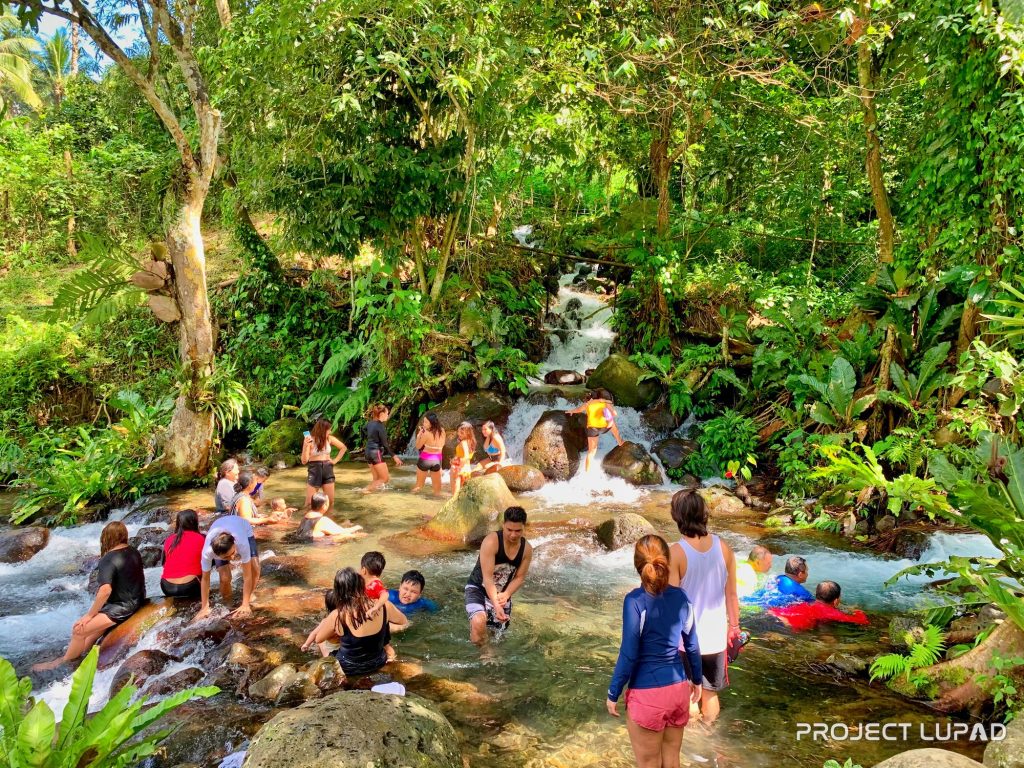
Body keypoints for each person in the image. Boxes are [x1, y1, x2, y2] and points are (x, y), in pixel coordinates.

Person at [607, 535, 703, 768]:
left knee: (648, 763)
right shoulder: (681, 597)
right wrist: (697, 680)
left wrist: (613, 692)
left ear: (637, 565)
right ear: (666, 561)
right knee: (672, 759)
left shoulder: (635, 601)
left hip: (647, 694)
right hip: (678, 690)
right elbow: (692, 644)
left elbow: (629, 653)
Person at [667, 489, 740, 725]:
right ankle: (709, 732)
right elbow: (732, 594)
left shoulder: (676, 553)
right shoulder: (724, 548)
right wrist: (734, 627)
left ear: (677, 516)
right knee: (710, 692)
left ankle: (693, 740)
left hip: (686, 639)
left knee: (689, 691)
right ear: (704, 514)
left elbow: (672, 603)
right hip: (715, 636)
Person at [33, 521, 146, 671]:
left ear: (106, 538)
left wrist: (89, 615)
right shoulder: (133, 551)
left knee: (79, 630)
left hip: (122, 607)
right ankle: (80, 657)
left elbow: (105, 591)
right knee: (92, 634)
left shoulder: (108, 559)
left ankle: (64, 663)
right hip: (137, 600)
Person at [305, 567, 408, 676]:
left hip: (348, 668)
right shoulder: (384, 605)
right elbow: (403, 621)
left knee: (322, 643)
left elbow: (319, 638)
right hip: (378, 662)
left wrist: (336, 631)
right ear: (362, 585)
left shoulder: (338, 615)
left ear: (338, 592)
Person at [465, 506, 533, 646]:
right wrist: (495, 604)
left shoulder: (526, 549)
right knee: (479, 622)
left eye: (518, 531)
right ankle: (483, 655)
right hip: (478, 587)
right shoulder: (491, 542)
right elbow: (487, 578)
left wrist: (507, 594)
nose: (513, 535)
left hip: (502, 594)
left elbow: (519, 577)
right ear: (503, 525)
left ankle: (491, 653)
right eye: (509, 530)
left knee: (497, 637)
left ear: (524, 528)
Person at [195, 514, 260, 621]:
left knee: (255, 569)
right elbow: (205, 579)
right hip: (219, 528)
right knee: (225, 578)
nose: (232, 558)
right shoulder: (207, 553)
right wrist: (204, 607)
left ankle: (249, 596)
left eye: (233, 553)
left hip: (243, 528)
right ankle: (228, 604)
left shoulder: (241, 543)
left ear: (234, 544)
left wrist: (245, 604)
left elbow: (247, 576)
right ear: (216, 555)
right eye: (226, 557)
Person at [770, 581, 869, 631]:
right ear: (836, 601)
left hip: (772, 613)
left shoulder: (807, 603)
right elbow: (862, 621)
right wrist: (858, 611)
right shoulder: (831, 613)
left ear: (816, 594)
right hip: (785, 626)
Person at [567, 389, 624, 472]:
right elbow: (614, 414)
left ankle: (587, 472)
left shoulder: (587, 404)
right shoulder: (604, 403)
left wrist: (571, 411)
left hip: (592, 429)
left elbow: (578, 410)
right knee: (612, 424)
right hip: (604, 427)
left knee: (591, 452)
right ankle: (620, 442)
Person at [301, 417, 347, 511]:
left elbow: (343, 448)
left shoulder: (329, 439)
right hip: (314, 470)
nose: (330, 431)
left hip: (327, 469)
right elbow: (304, 461)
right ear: (322, 430)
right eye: (328, 430)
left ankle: (328, 519)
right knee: (309, 503)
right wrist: (305, 446)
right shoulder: (310, 440)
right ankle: (306, 519)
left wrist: (335, 460)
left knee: (330, 502)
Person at [160, 509, 204, 599]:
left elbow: (164, 564)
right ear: (195, 522)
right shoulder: (201, 538)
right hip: (191, 586)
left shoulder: (169, 539)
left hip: (166, 586)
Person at [363, 404, 403, 493]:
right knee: (385, 479)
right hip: (375, 453)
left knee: (376, 478)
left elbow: (363, 429)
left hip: (368, 451)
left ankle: (369, 493)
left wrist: (371, 438)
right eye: (387, 413)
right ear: (381, 414)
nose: (388, 415)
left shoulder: (370, 423)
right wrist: (394, 456)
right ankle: (365, 490)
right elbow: (385, 444)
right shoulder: (381, 427)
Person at [297, 492, 364, 540]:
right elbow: (342, 531)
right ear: (324, 506)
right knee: (349, 535)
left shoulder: (306, 516)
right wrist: (357, 527)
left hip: (304, 543)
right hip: (317, 546)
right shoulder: (323, 520)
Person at [411, 412, 446, 496]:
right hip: (437, 460)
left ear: (432, 423)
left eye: (426, 422)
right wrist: (440, 466)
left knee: (419, 486)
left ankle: (409, 500)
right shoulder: (442, 431)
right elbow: (442, 446)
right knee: (437, 490)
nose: (424, 424)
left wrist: (419, 436)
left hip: (425, 459)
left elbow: (418, 446)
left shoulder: (426, 433)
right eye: (424, 421)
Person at [302, 589, 341, 656]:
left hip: (331, 653)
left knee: (320, 640)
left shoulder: (325, 621)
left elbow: (314, 633)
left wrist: (306, 644)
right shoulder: (347, 619)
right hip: (344, 650)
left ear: (327, 606)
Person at [450, 421, 476, 497]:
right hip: (467, 470)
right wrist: (455, 458)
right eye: (458, 432)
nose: (459, 434)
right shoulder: (471, 442)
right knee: (463, 495)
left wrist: (458, 465)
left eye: (462, 433)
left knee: (455, 495)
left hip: (459, 469)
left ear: (468, 433)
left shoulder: (463, 442)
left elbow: (466, 456)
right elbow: (463, 455)